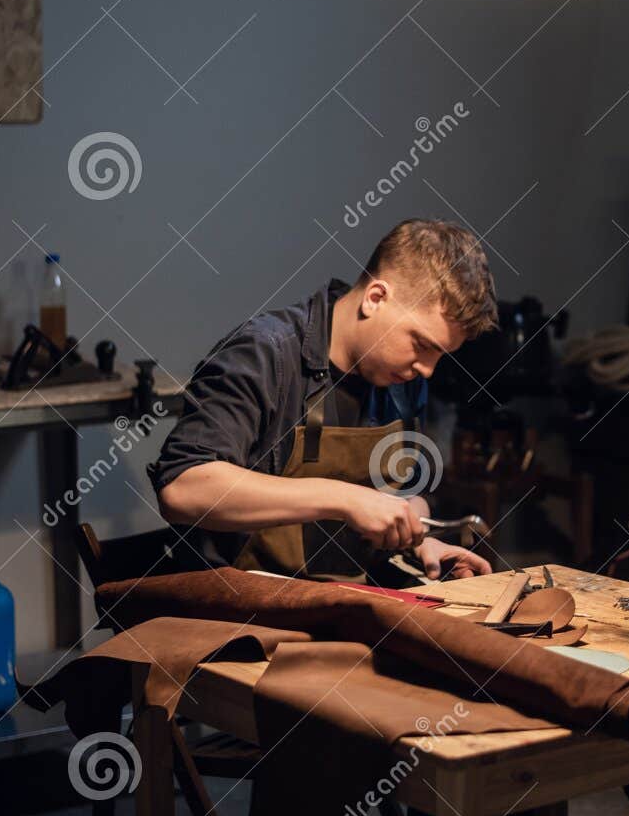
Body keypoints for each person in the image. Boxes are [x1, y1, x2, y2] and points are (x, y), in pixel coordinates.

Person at [148, 219, 498, 583]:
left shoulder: (400, 376)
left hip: (345, 602)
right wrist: (344, 500)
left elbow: (405, 488)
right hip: (241, 609)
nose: (427, 369)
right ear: (375, 298)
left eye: (441, 355)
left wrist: (419, 538)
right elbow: (183, 488)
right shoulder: (265, 353)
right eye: (422, 345)